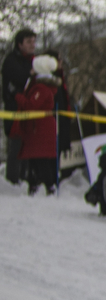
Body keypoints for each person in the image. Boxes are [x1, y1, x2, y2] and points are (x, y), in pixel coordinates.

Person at [15, 54, 64, 194]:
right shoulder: (42, 86)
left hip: (39, 128)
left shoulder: (41, 89)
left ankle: (48, 185)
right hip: (37, 127)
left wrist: (17, 96)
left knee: (39, 159)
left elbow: (31, 105)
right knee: (35, 158)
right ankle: (35, 183)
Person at [3, 27, 37, 184]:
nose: (32, 45)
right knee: (16, 148)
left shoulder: (32, 60)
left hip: (29, 111)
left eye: (34, 41)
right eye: (29, 41)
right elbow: (19, 79)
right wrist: (30, 73)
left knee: (28, 148)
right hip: (15, 111)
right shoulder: (11, 60)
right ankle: (12, 181)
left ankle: (24, 179)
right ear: (19, 43)